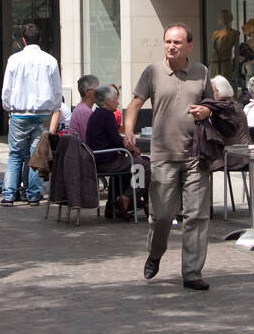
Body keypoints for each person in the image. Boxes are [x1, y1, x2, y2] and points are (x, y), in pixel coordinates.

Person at [123, 23, 215, 291]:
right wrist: (128, 131)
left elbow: (212, 104)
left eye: (177, 42)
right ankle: (155, 252)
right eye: (167, 42)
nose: (171, 46)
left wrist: (206, 112)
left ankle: (192, 272)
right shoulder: (152, 72)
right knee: (162, 215)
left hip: (196, 154)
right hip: (163, 154)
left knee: (197, 216)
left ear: (189, 45)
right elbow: (135, 103)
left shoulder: (201, 72)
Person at [0, 23, 61, 206]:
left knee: (15, 155)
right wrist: (55, 107)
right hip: (42, 113)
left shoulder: (14, 60)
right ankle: (33, 194)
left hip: (19, 113)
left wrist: (8, 106)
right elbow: (57, 89)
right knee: (37, 154)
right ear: (39, 39)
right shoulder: (50, 60)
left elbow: (7, 88)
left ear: (23, 40)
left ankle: (9, 194)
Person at [85, 84, 147, 220]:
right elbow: (117, 140)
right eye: (115, 99)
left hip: (100, 158)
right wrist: (132, 148)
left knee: (139, 162)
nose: (118, 102)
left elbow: (115, 140)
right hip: (106, 161)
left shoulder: (97, 114)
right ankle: (128, 198)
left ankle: (114, 204)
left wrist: (129, 148)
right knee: (145, 166)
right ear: (107, 100)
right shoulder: (106, 115)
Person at [63, 74, 99, 139]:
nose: (100, 92)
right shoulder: (85, 111)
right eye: (97, 89)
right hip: (83, 148)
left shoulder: (81, 108)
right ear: (87, 92)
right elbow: (90, 138)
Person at [210, 9, 238, 80]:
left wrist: (236, 69)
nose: (218, 19)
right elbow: (213, 50)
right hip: (214, 64)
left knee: (224, 86)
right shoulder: (216, 33)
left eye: (220, 17)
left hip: (225, 65)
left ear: (226, 18)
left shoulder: (234, 34)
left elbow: (236, 52)